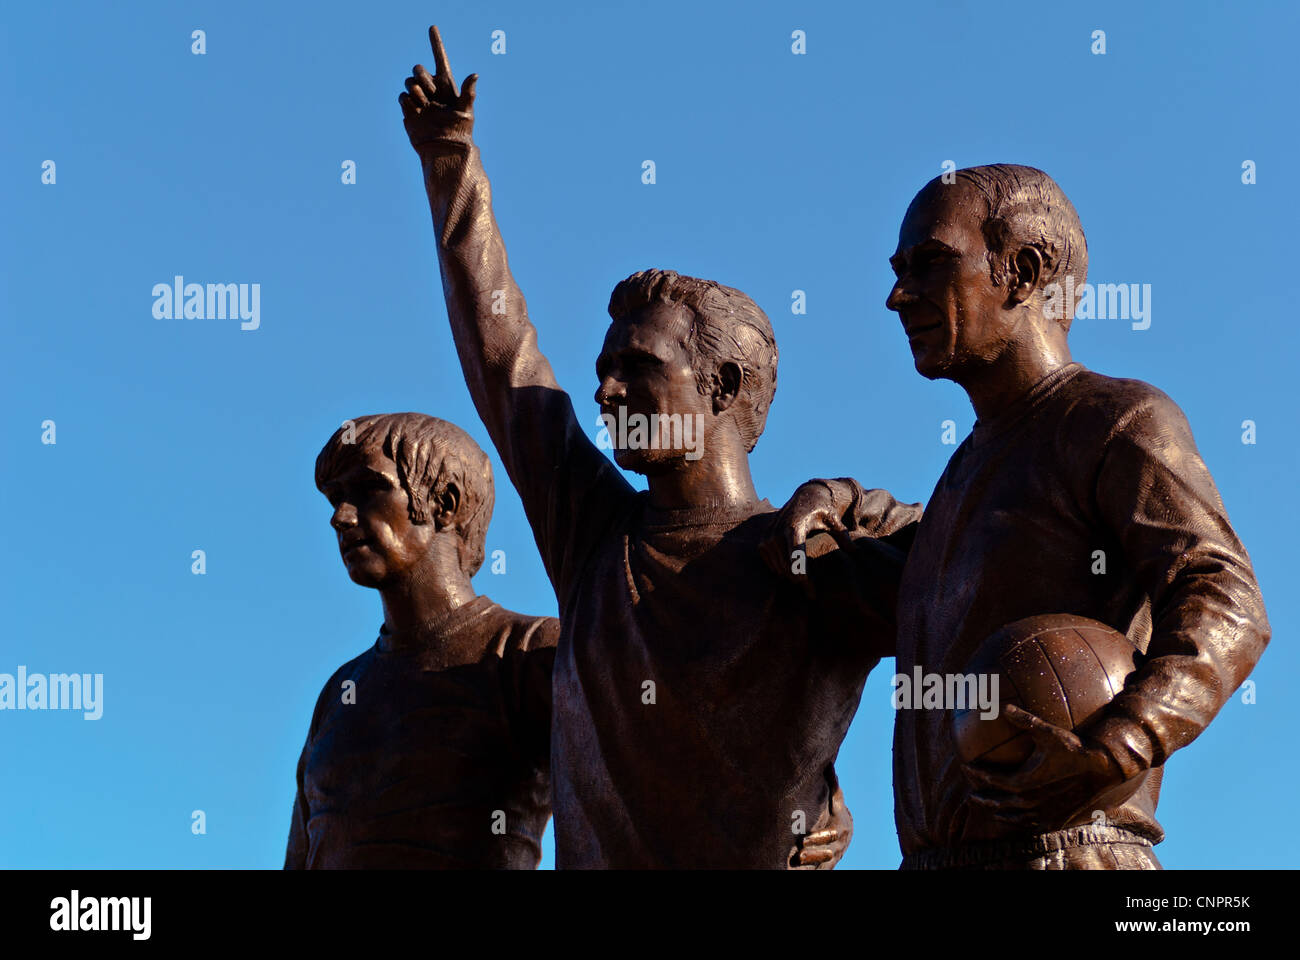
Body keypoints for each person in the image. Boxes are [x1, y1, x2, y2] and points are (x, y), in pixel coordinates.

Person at [398, 26, 917, 868]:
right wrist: (450, 163)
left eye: (637, 369)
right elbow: (503, 356)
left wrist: (864, 506)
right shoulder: (595, 536)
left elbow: (986, 552)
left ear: (722, 388)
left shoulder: (809, 557)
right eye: (603, 372)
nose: (605, 392)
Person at [770, 165, 1271, 869]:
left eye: (930, 264)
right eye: (898, 269)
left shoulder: (1117, 420)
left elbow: (1227, 598)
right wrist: (848, 503)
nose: (897, 295)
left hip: (1066, 854)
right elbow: (946, 552)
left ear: (1025, 271)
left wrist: (1119, 744)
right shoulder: (967, 472)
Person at [285, 413, 558, 869]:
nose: (340, 517)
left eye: (368, 490)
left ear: (445, 503)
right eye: (335, 498)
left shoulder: (529, 654)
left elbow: (622, 815)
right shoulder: (339, 693)